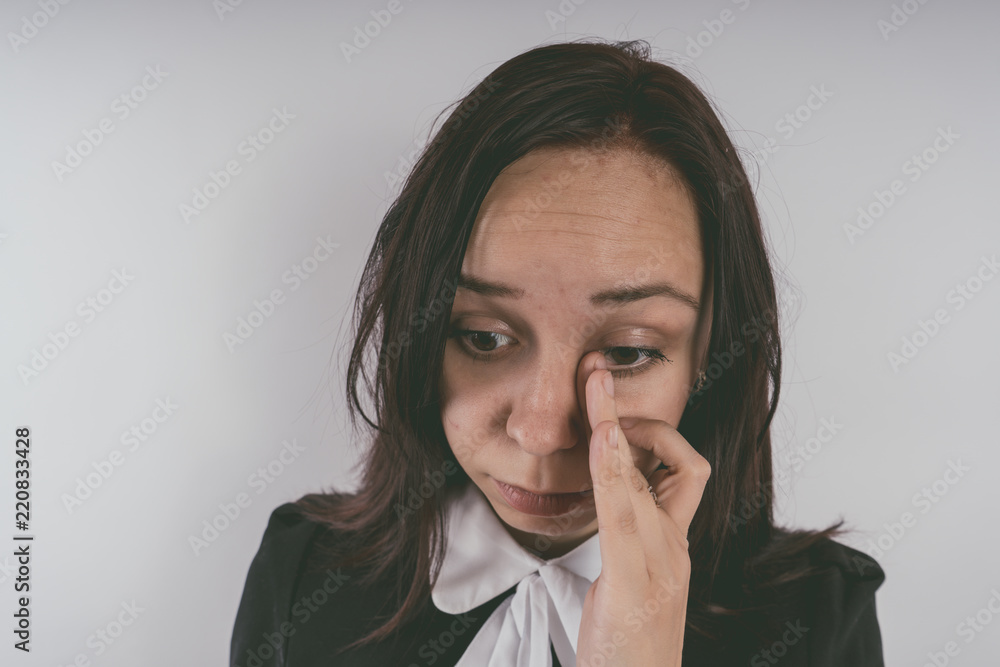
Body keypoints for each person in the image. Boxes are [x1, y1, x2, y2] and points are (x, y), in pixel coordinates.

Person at [230, 39, 885, 666]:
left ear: (709, 360)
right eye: (484, 337)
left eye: (628, 352)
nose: (544, 432)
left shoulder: (818, 617)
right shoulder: (303, 576)